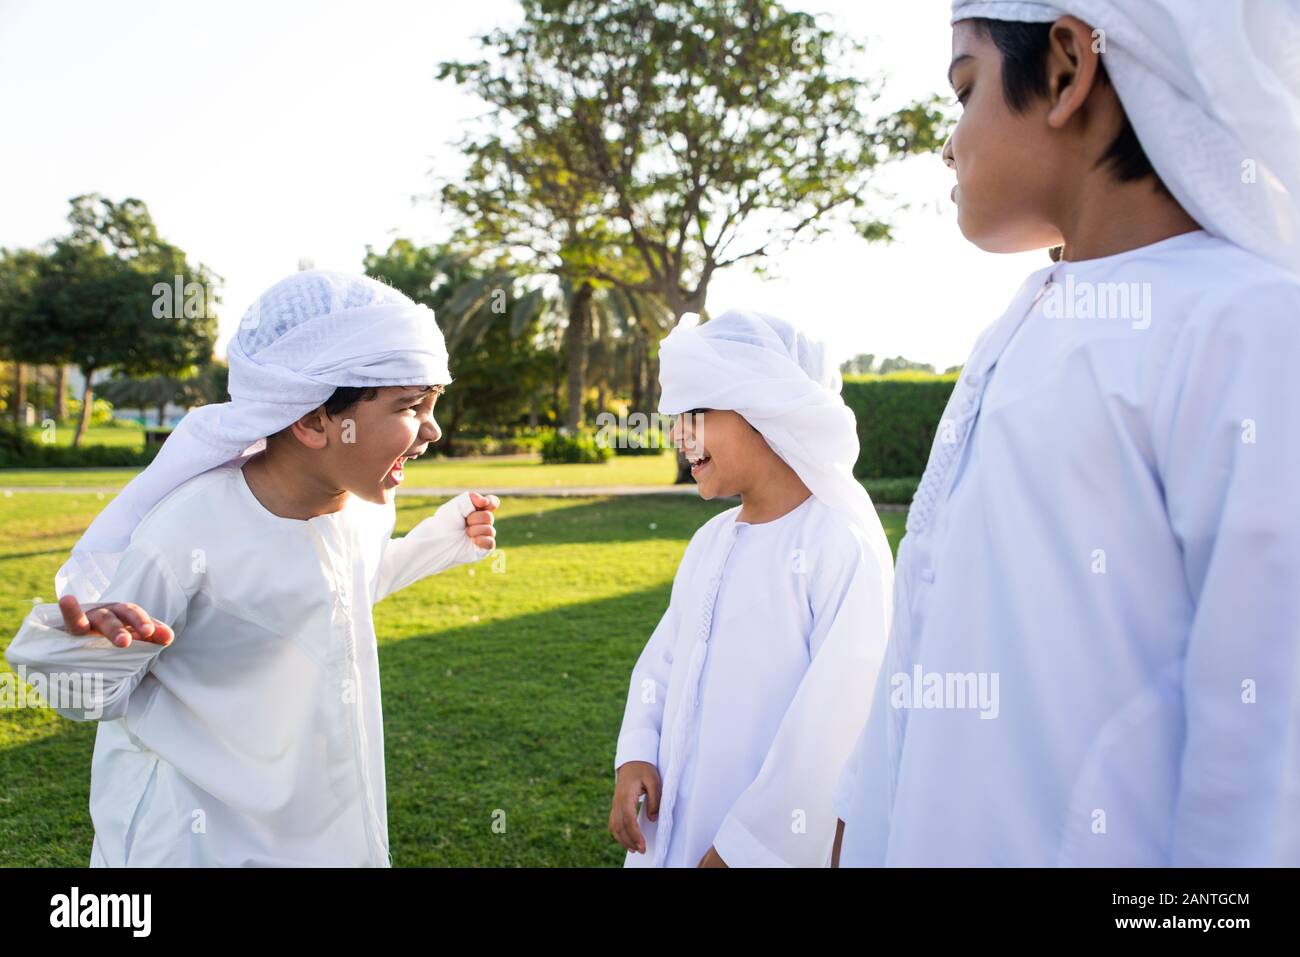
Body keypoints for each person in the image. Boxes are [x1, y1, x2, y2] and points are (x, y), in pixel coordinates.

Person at [833, 0, 1300, 866]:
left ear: (1063, 70)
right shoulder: (1019, 328)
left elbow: (1266, 764)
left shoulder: (1249, 327)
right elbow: (931, 627)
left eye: (965, 90)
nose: (948, 143)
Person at [4, 269, 499, 866]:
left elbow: (341, 596)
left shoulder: (362, 509)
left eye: (433, 404)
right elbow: (85, 695)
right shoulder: (190, 529)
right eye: (411, 406)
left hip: (323, 826)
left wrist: (438, 540)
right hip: (195, 842)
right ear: (313, 419)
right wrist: (83, 643)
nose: (433, 429)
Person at [609, 309, 894, 867]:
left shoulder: (839, 545)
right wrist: (637, 752)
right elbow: (663, 663)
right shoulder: (711, 542)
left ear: (770, 407)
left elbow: (831, 729)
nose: (677, 435)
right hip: (671, 829)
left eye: (696, 412)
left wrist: (744, 851)